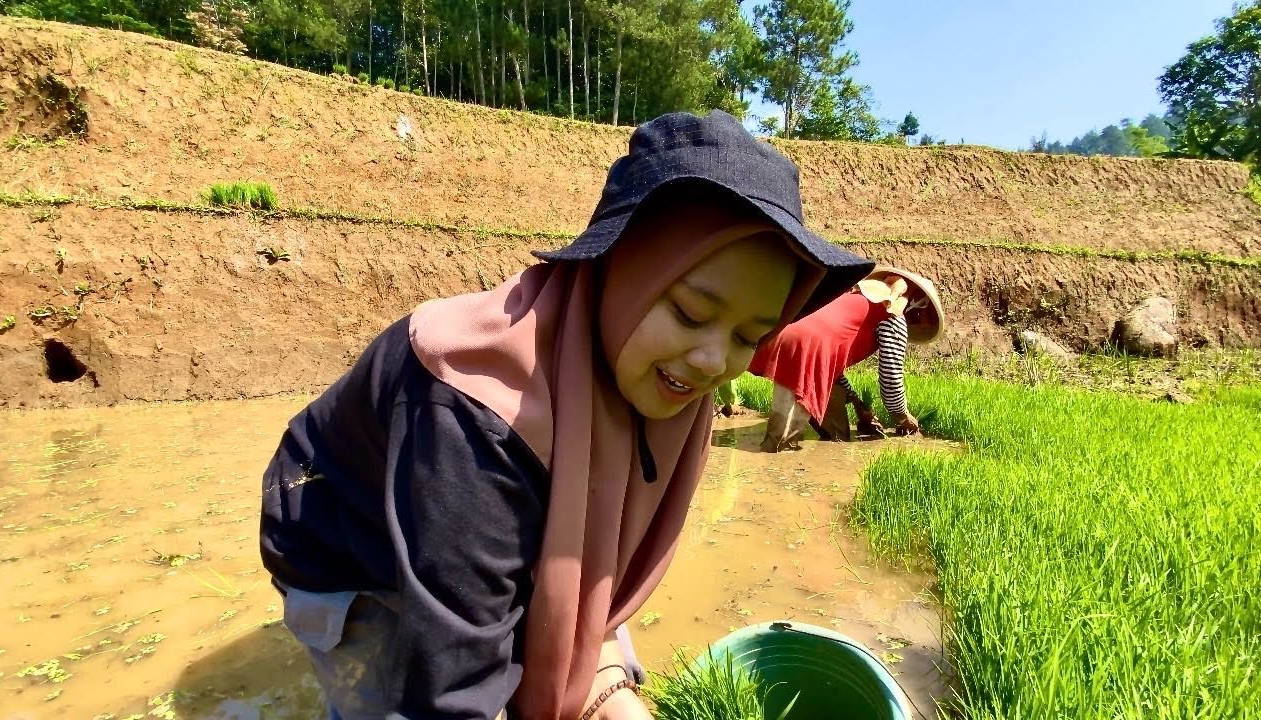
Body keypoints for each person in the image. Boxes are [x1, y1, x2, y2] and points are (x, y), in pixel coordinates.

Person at [257, 110, 874, 720]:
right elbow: (450, 693)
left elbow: (582, 578)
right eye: (689, 313)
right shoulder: (476, 416)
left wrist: (605, 695)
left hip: (471, 535)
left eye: (749, 336)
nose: (715, 359)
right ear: (622, 271)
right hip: (345, 536)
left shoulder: (655, 375)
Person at [746, 266, 944, 452]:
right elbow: (891, 379)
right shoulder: (893, 315)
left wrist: (860, 406)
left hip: (784, 331)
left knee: (837, 437)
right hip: (807, 350)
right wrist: (903, 417)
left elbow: (831, 369)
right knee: (779, 445)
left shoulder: (854, 295)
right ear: (916, 307)